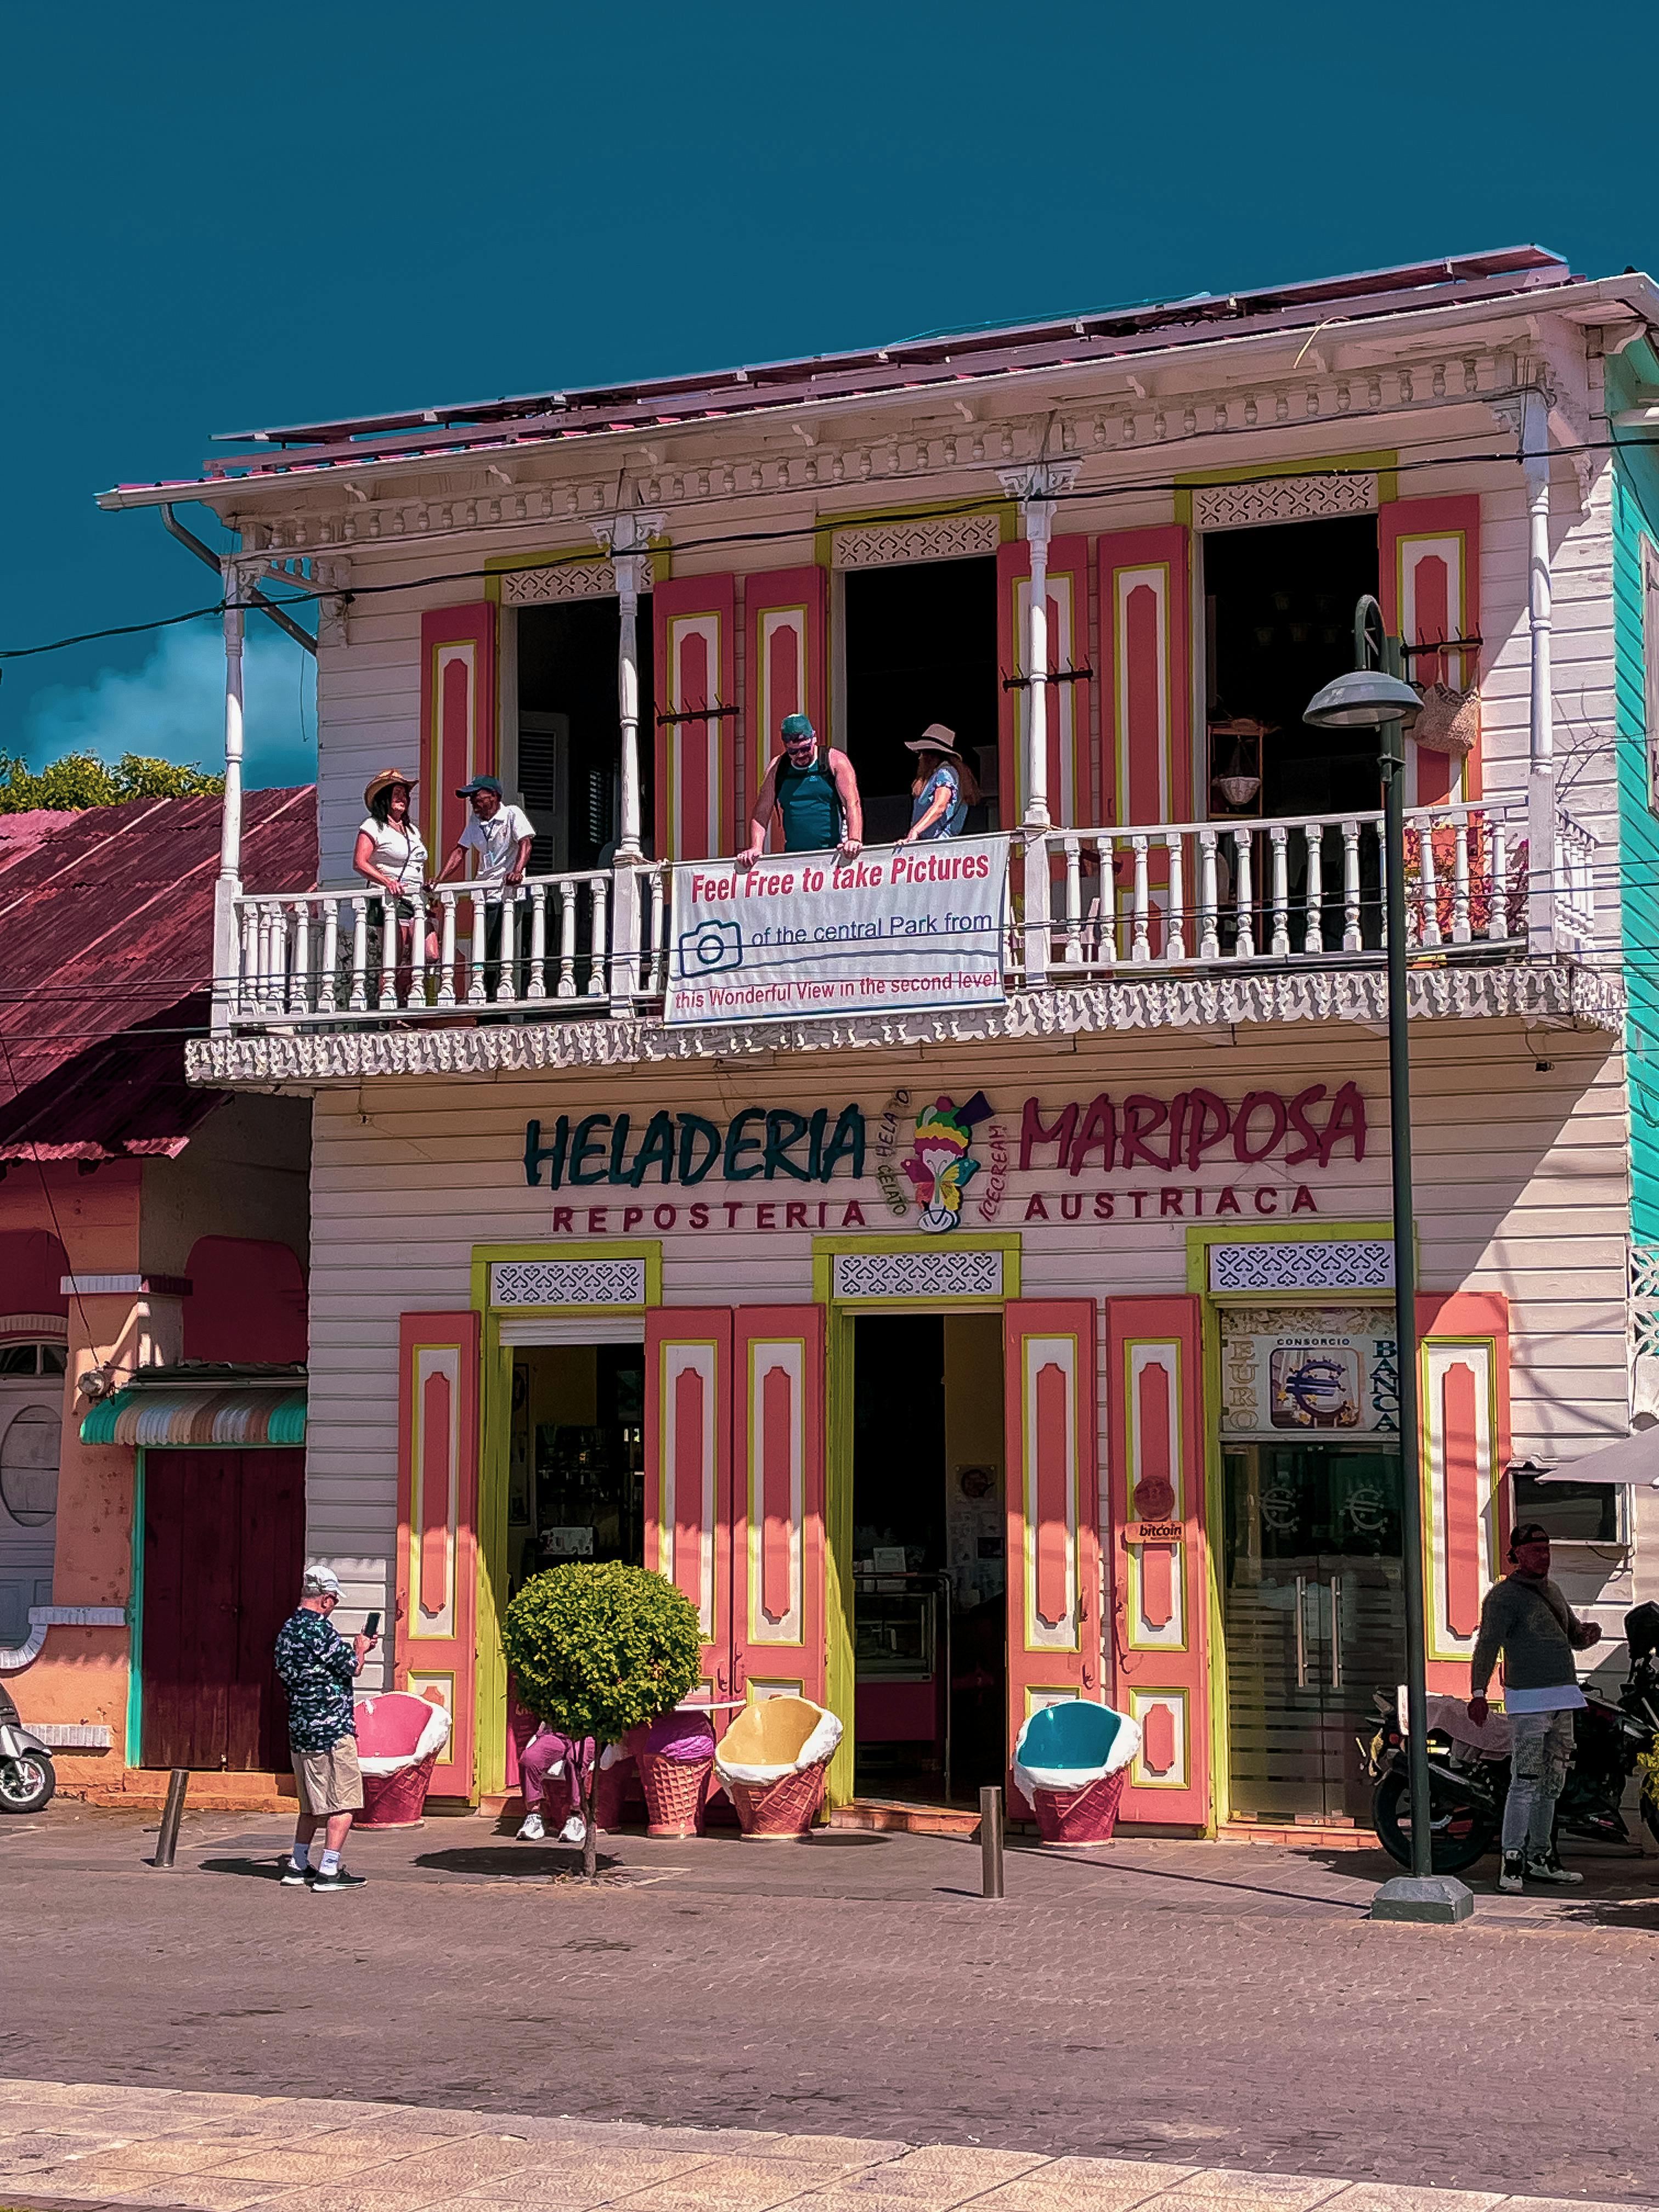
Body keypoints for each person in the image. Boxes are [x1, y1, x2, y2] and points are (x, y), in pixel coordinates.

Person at [1469, 1520, 1602, 1892]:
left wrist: (1589, 1635)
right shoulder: (1502, 1597)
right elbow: (1487, 1644)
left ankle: (1540, 1857)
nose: (1544, 1557)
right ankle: (1512, 1860)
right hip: (1529, 1701)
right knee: (1525, 1780)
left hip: (1564, 1698)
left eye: (1547, 1550)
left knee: (1553, 1782)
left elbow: (1573, 1636)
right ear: (1517, 1555)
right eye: (1536, 1551)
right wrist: (1478, 1692)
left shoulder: (1553, 1591)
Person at [273, 1566, 377, 1892]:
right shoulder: (321, 1630)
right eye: (334, 1600)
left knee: (310, 1805)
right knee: (343, 1803)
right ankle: (329, 1870)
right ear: (326, 1599)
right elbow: (353, 1667)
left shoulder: (287, 1630)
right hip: (331, 1729)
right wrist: (360, 1648)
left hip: (300, 1729)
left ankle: (297, 1865)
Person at [435, 775, 536, 1001]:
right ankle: (487, 998)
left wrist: (517, 871)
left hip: (509, 894)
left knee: (503, 948)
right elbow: (460, 851)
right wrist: (439, 879)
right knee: (485, 950)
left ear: (494, 796)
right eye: (471, 798)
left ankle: (503, 999)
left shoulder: (512, 814)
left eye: (477, 796)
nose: (473, 802)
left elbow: (526, 844)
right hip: (486, 895)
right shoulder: (476, 821)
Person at [736, 713, 862, 867]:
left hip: (834, 854)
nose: (801, 755)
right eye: (793, 752)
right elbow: (761, 813)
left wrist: (854, 839)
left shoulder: (835, 760)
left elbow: (852, 803)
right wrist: (756, 847)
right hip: (796, 858)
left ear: (814, 738)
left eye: (805, 749)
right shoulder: (778, 768)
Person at [353, 769, 438, 985]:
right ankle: (389, 1002)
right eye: (397, 794)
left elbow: (417, 863)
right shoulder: (373, 826)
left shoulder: (412, 831)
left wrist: (427, 885)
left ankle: (406, 993)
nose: (403, 798)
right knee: (394, 958)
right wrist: (387, 882)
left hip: (416, 899)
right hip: (391, 899)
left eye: (405, 794)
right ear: (385, 798)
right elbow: (360, 862)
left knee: (430, 953)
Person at [897, 723, 980, 844]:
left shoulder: (945, 773)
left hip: (937, 844)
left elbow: (940, 806)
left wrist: (916, 831)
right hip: (933, 843)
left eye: (922, 753)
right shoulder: (944, 773)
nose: (920, 758)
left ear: (931, 755)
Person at [516, 1723, 592, 1844]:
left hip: (588, 1734)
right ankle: (534, 1815)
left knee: (575, 1758)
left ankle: (576, 1816)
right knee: (529, 1759)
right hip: (557, 1734)